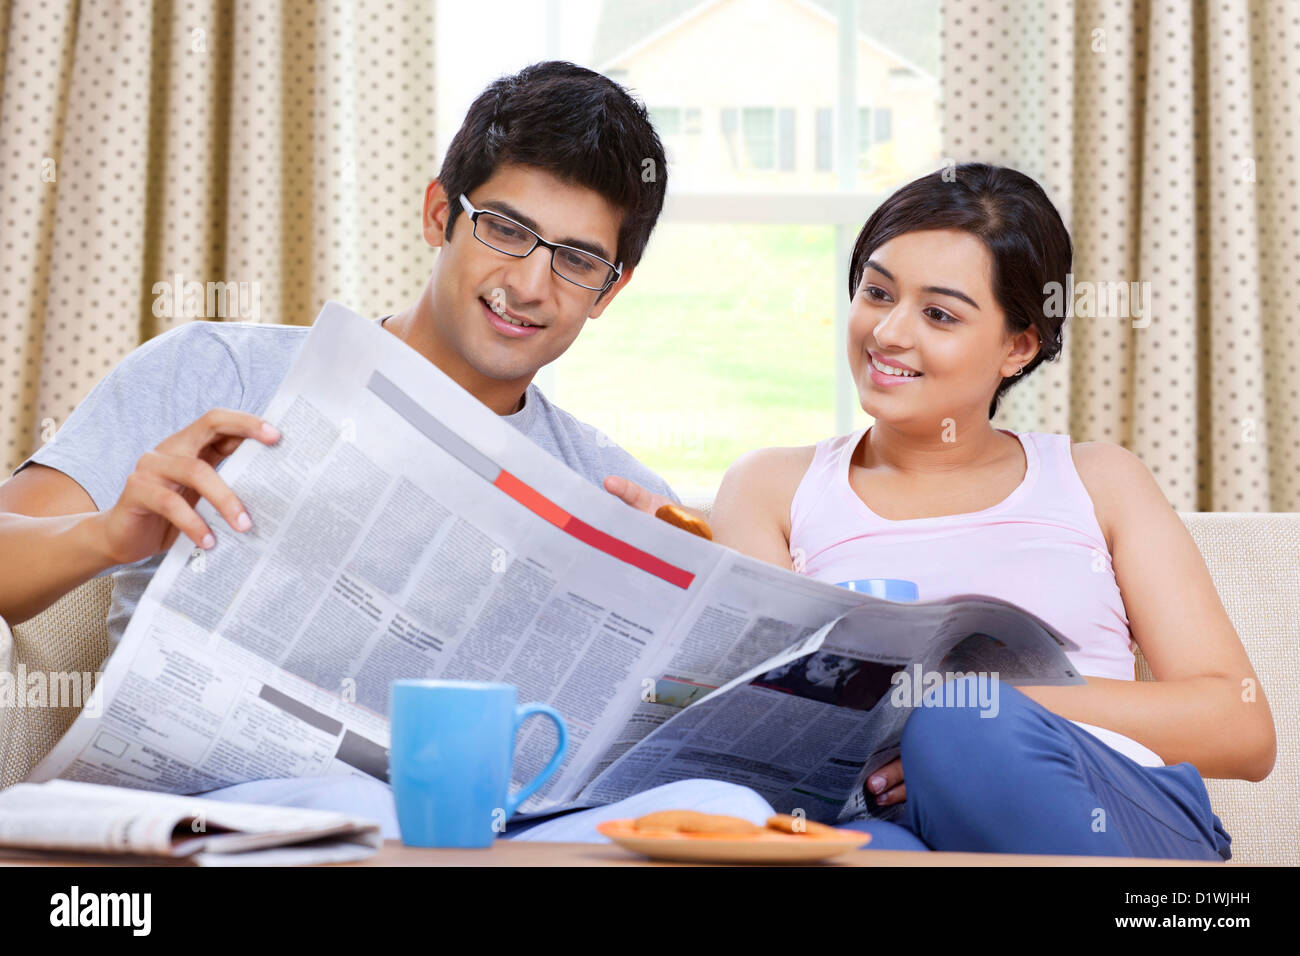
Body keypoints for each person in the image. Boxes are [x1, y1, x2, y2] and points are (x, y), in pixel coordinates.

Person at [614, 163, 1275, 859]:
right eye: (876, 292)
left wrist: (970, 702)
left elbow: (1239, 725)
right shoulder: (770, 487)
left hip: (1113, 808)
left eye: (939, 314)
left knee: (964, 729)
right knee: (855, 851)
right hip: (893, 824)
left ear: (1018, 346)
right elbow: (769, 722)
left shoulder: (1100, 480)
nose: (889, 333)